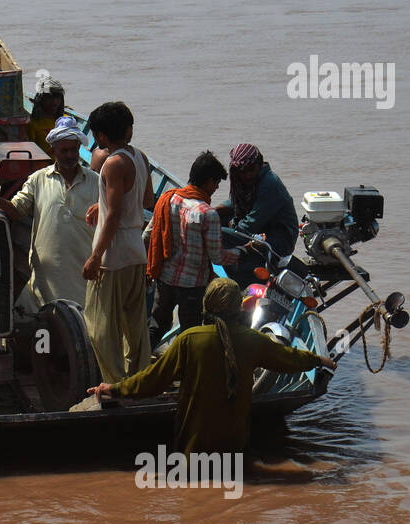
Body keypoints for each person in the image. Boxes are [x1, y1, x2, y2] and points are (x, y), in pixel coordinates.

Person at [89, 278, 336, 455]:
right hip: (235, 445)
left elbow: (152, 381)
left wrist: (114, 388)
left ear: (206, 306)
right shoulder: (254, 341)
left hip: (192, 446)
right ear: (239, 307)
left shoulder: (189, 339)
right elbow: (289, 358)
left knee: (195, 507)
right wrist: (319, 360)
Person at [0, 116, 98, 311]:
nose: (70, 155)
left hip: (83, 269)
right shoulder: (38, 179)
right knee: (43, 314)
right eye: (64, 151)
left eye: (74, 150)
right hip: (47, 274)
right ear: (53, 151)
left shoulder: (95, 181)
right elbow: (17, 211)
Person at [81, 101, 156, 382]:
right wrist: (104, 203)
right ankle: (138, 380)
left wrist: (95, 256)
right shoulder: (140, 157)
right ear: (128, 130)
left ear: (100, 136)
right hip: (136, 250)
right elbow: (146, 201)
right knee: (134, 325)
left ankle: (114, 382)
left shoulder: (112, 163)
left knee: (100, 326)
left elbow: (113, 216)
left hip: (113, 256)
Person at [146, 151, 252, 347]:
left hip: (165, 279)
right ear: (208, 181)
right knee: (190, 334)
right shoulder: (208, 214)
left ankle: (138, 364)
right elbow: (217, 257)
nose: (215, 189)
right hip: (192, 287)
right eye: (216, 184)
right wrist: (243, 251)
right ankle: (185, 372)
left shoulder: (168, 199)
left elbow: (148, 235)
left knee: (156, 326)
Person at [217, 143, 298, 285]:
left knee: (219, 233)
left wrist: (232, 224)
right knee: (217, 218)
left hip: (280, 240)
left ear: (259, 165)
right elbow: (235, 202)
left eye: (251, 170)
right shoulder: (249, 180)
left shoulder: (269, 184)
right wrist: (214, 211)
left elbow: (248, 226)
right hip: (263, 228)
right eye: (242, 171)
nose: (247, 175)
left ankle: (239, 280)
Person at [26, 75, 65, 156]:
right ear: (41, 100)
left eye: (57, 98)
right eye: (49, 98)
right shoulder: (33, 124)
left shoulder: (66, 121)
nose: (54, 102)